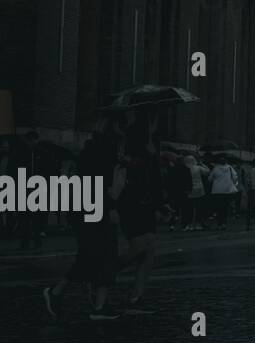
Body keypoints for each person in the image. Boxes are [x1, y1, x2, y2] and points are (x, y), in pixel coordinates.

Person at [44, 115, 128, 320]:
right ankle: (58, 292)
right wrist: (112, 206)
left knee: (99, 255)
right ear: (115, 126)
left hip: (89, 210)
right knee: (97, 254)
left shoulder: (99, 148)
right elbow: (99, 186)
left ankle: (97, 305)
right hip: (93, 210)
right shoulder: (104, 151)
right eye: (123, 124)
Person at [115, 118, 168, 314]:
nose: (156, 124)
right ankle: (103, 275)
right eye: (152, 120)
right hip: (131, 203)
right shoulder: (133, 150)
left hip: (148, 204)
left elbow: (155, 181)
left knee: (150, 249)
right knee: (139, 246)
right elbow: (133, 175)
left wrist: (162, 205)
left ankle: (137, 296)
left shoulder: (154, 148)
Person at [208, 156, 240, 229]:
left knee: (219, 207)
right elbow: (235, 177)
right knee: (225, 208)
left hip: (217, 191)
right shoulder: (230, 168)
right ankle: (224, 223)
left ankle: (219, 223)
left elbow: (210, 179)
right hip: (227, 190)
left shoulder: (215, 168)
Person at [183, 155, 205, 230]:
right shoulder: (198, 167)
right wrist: (202, 164)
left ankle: (189, 224)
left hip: (189, 189)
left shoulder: (185, 168)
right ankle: (198, 224)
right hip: (199, 189)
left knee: (189, 208)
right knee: (199, 207)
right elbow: (207, 172)